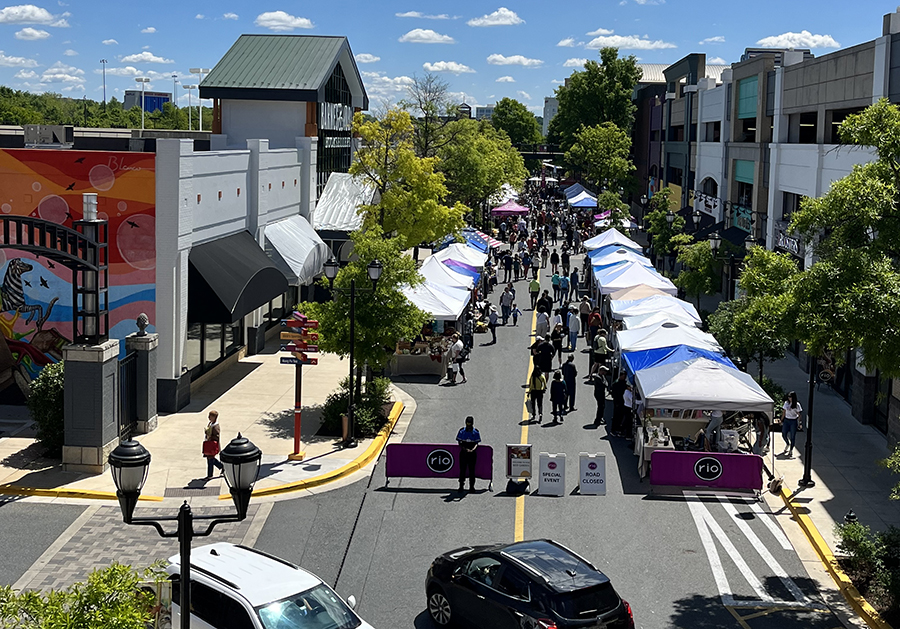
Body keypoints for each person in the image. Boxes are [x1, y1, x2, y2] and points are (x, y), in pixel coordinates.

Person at [456, 416, 481, 492]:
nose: (468, 425)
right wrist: (465, 449)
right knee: (462, 470)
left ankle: (472, 487)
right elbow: (459, 442)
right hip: (464, 452)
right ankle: (461, 486)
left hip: (472, 453)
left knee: (472, 470)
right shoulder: (462, 431)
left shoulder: (475, 432)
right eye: (467, 423)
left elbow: (477, 443)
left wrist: (473, 449)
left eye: (470, 424)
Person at [781, 391, 802, 458]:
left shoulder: (797, 405)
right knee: (784, 433)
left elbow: (799, 414)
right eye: (789, 397)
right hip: (787, 420)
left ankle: (791, 450)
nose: (789, 398)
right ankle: (787, 443)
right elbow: (784, 412)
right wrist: (781, 420)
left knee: (792, 436)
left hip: (793, 420)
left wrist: (799, 423)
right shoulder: (786, 403)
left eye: (791, 397)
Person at [203, 410, 224, 479]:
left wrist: (210, 435)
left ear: (214, 417)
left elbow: (216, 436)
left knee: (210, 460)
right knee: (211, 459)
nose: (209, 417)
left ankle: (210, 475)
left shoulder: (215, 426)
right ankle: (222, 467)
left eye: (210, 416)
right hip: (209, 444)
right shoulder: (211, 424)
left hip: (212, 445)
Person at [610, 372, 628, 437]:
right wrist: (617, 402)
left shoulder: (624, 383)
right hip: (618, 402)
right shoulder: (616, 384)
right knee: (616, 416)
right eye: (624, 376)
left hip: (622, 402)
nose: (625, 377)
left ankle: (618, 428)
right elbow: (614, 394)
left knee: (620, 416)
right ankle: (613, 430)